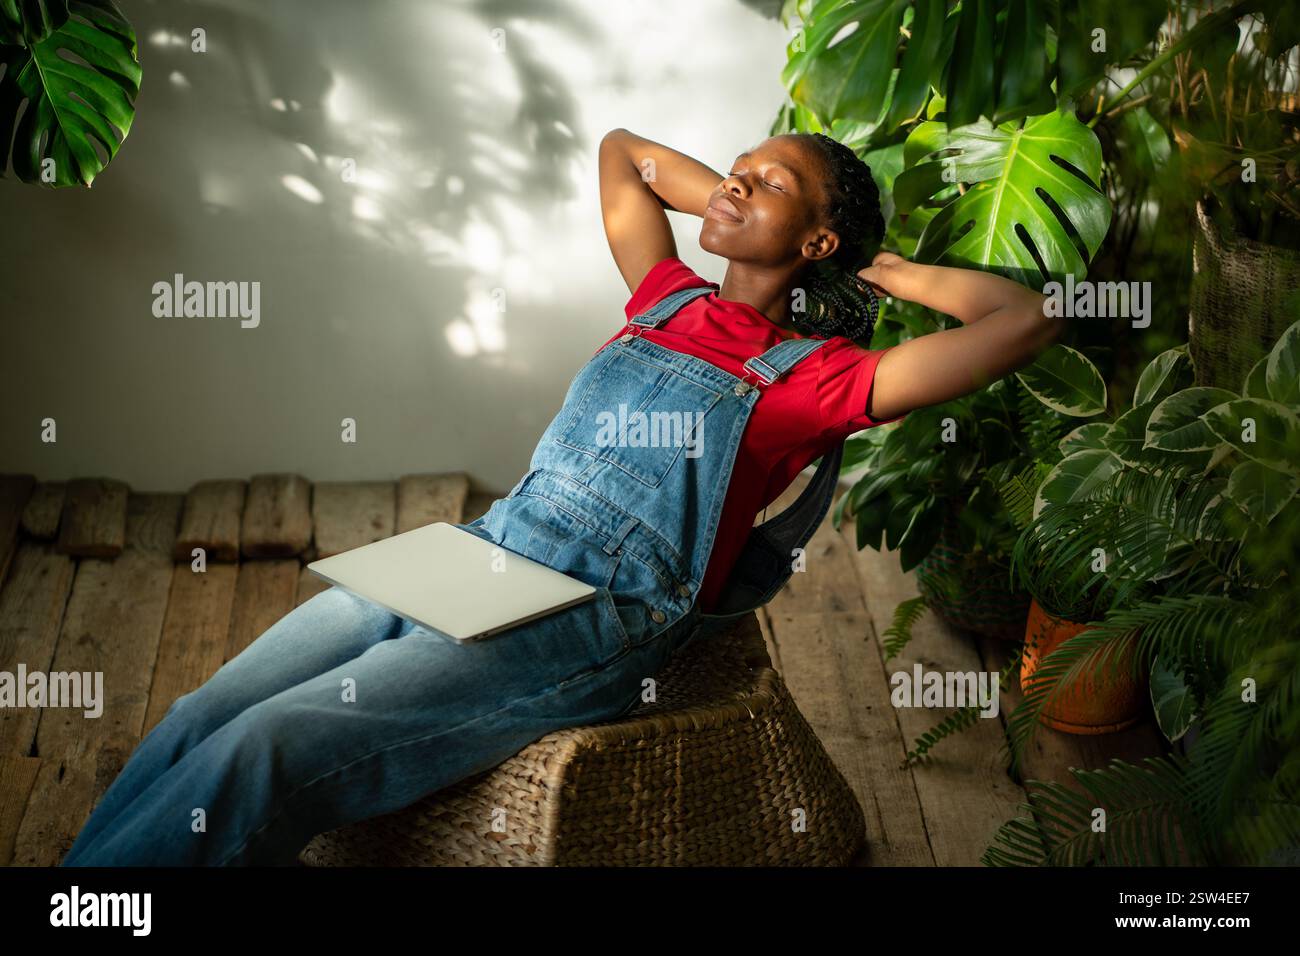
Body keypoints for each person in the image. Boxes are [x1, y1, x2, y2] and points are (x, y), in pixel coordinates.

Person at [61, 128, 1064, 866]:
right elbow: (622, 153)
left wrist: (874, 264)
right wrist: (747, 193)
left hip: (592, 611)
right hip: (491, 543)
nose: (736, 182)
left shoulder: (817, 377)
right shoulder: (663, 294)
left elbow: (1018, 318)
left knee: (270, 746)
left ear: (817, 241)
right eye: (738, 167)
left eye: (772, 183)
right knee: (206, 709)